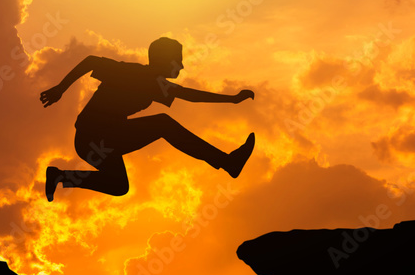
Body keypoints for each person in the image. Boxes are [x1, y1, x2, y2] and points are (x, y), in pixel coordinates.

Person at [40, 36, 255, 201]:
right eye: (177, 61)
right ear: (166, 61)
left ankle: (61, 176)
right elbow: (90, 61)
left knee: (118, 186)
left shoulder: (156, 84)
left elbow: (190, 95)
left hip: (103, 140)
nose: (181, 66)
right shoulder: (132, 73)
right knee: (163, 124)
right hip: (92, 138)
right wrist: (60, 89)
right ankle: (227, 162)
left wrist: (233, 100)